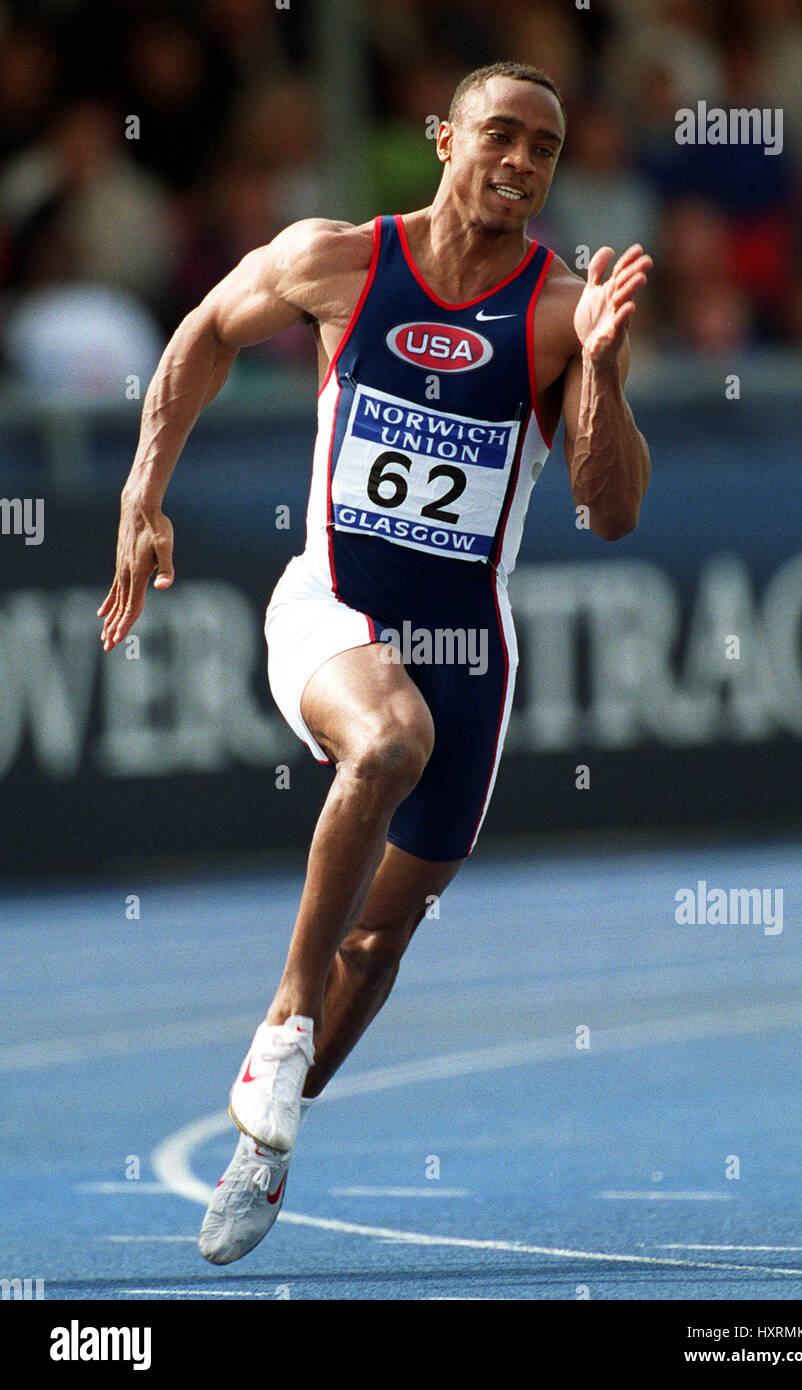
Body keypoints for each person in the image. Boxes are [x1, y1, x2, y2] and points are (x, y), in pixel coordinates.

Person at [97, 61, 652, 1265]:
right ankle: (282, 1023)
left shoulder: (562, 310)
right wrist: (145, 493)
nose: (518, 161)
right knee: (386, 740)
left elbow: (609, 512)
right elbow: (201, 333)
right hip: (332, 602)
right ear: (442, 136)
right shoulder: (337, 257)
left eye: (543, 149)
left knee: (381, 941)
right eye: (498, 133)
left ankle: (269, 1138)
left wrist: (601, 369)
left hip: (468, 645)